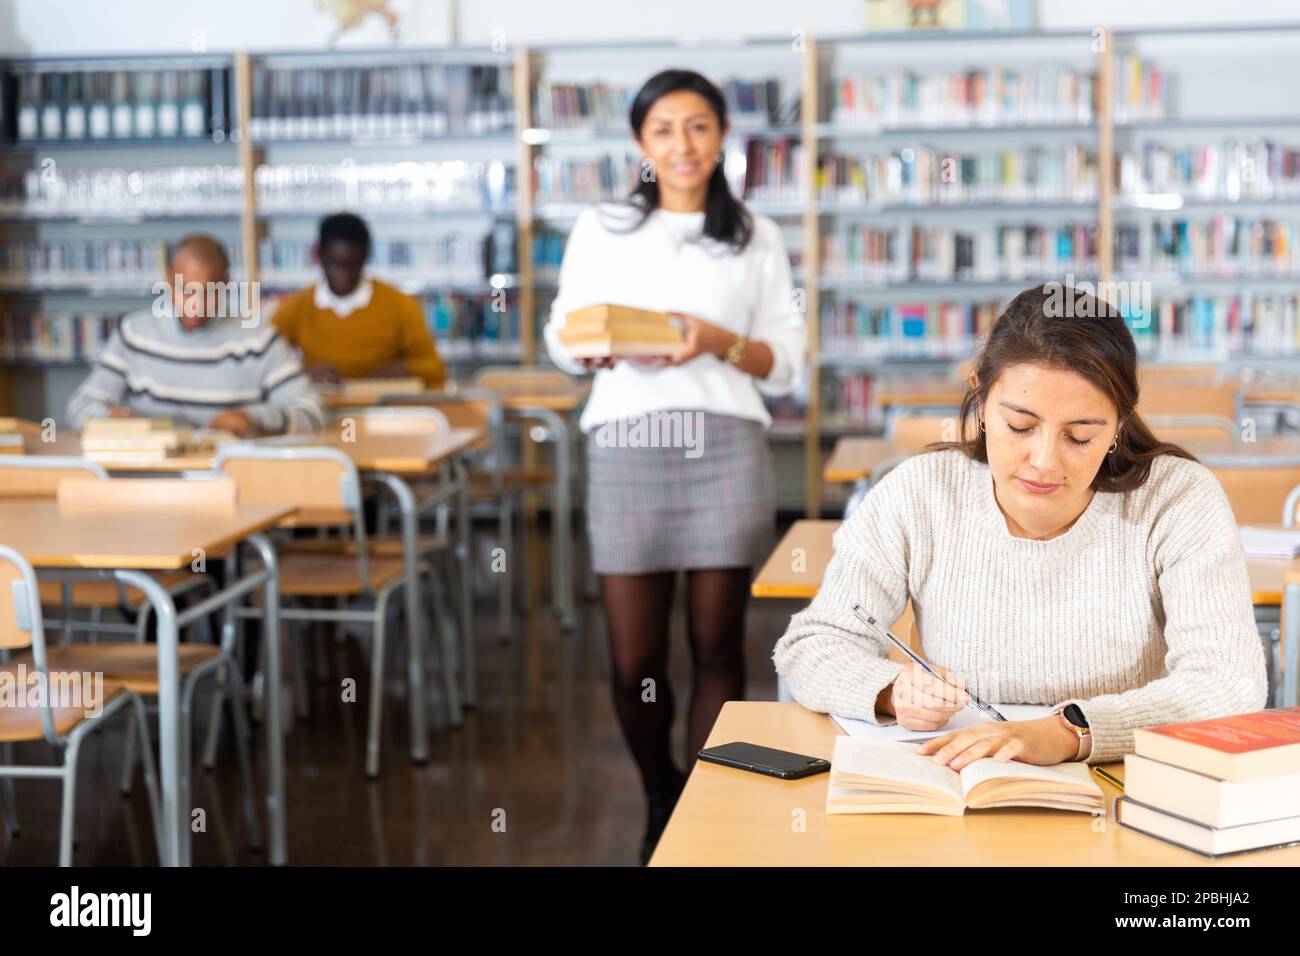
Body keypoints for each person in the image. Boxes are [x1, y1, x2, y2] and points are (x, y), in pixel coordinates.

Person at [774, 284, 1268, 771]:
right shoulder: (920, 492)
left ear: (1119, 425)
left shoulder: (1178, 499)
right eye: (1020, 427)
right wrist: (889, 690)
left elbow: (1228, 682)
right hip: (961, 778)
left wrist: (1070, 731)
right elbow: (812, 645)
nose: (1044, 462)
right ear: (981, 399)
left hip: (1128, 785)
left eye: (1080, 436)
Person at [544, 69, 807, 863]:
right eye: (663, 129)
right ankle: (660, 788)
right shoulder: (601, 228)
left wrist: (712, 338)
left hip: (725, 446)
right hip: (625, 445)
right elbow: (562, 337)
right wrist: (584, 346)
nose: (682, 144)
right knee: (635, 665)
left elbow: (786, 363)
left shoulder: (756, 235)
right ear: (640, 143)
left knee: (718, 643)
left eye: (697, 126)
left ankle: (701, 804)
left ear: (724, 136)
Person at [67, 234, 326, 435]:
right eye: (186, 290)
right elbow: (81, 404)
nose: (196, 304)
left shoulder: (259, 340)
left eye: (208, 292)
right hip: (152, 483)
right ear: (168, 279)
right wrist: (107, 420)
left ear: (225, 284)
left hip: (229, 482)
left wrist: (253, 418)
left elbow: (312, 412)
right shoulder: (134, 334)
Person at [271, 212, 446, 388]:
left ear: (365, 257)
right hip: (321, 408)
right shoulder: (298, 306)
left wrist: (407, 369)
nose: (344, 275)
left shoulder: (400, 304)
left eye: (352, 265)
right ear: (319, 256)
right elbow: (261, 364)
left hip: (385, 410)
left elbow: (436, 369)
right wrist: (301, 373)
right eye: (335, 264)